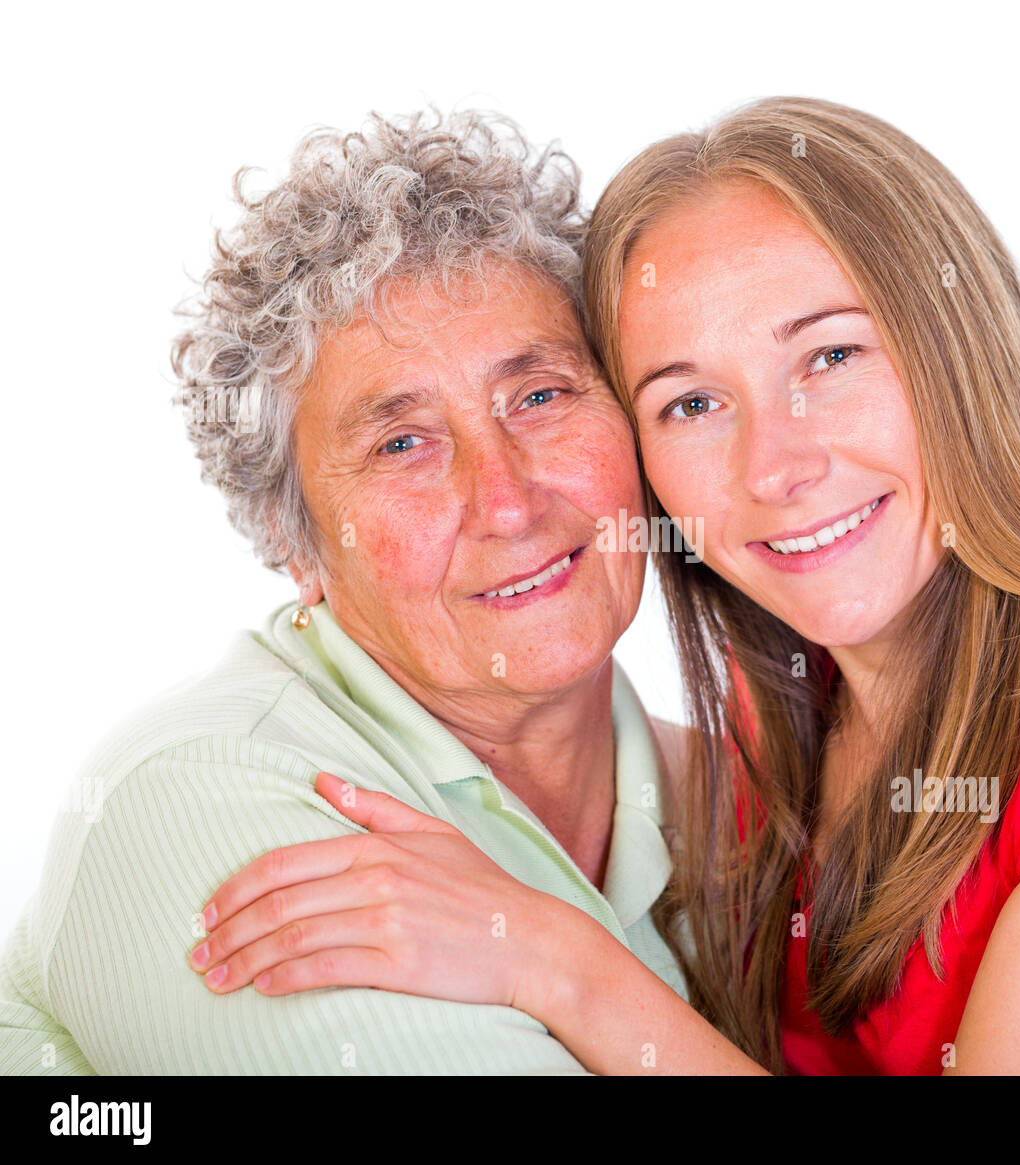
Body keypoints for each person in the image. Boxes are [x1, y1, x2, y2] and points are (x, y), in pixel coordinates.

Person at [190, 97, 1020, 1076]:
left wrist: (554, 961)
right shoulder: (772, 753)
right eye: (690, 404)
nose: (776, 465)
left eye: (828, 358)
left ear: (958, 348)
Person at [0, 107, 690, 1075]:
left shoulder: (743, 792)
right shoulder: (200, 797)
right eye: (401, 444)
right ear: (296, 541)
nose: (505, 501)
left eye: (538, 396)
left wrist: (562, 963)